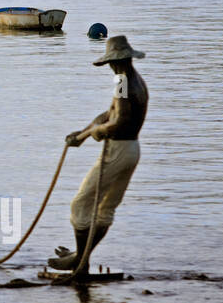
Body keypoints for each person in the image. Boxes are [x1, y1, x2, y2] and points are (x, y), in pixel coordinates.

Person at [49, 36, 149, 273]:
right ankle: (81, 257)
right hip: (131, 150)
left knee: (80, 204)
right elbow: (110, 113)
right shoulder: (134, 80)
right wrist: (83, 134)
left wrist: (97, 132)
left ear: (118, 61)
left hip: (118, 150)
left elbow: (120, 121)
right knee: (105, 208)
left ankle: (79, 262)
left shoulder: (123, 81)